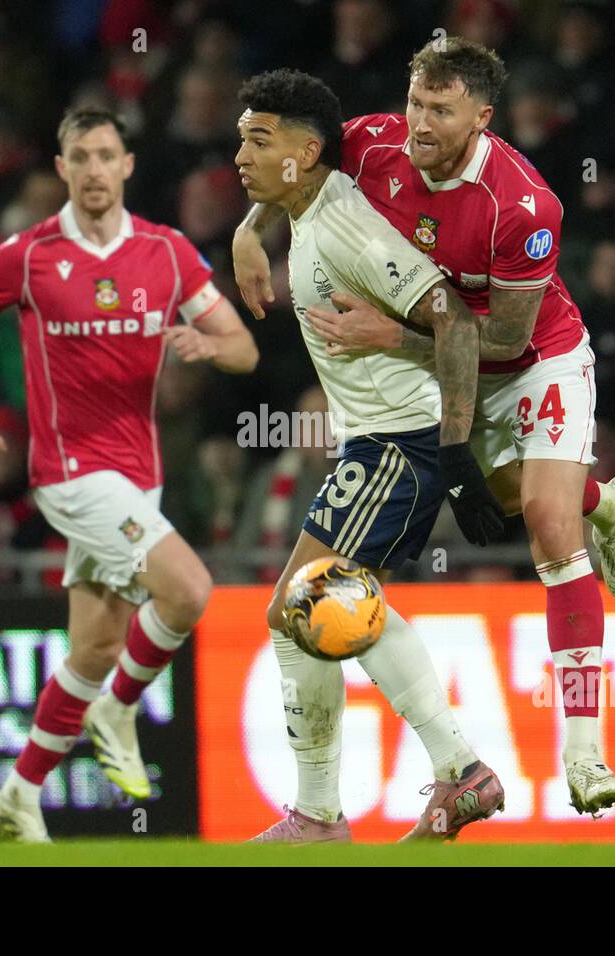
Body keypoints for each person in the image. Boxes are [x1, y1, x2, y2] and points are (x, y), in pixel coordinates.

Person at [234, 38, 615, 821]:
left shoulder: (524, 207)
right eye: (417, 102)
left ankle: (585, 752)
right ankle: (608, 502)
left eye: (441, 111)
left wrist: (397, 342)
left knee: (548, 528)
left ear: (482, 118)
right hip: (444, 368)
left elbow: (503, 339)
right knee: (512, 500)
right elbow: (294, 155)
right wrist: (248, 230)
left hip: (528, 358)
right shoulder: (379, 139)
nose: (420, 123)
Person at [0, 107, 257, 842]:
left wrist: (209, 349)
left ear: (128, 164)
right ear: (61, 169)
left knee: (96, 645)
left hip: (139, 474)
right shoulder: (30, 254)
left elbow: (242, 347)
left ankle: (19, 792)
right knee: (190, 590)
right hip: (69, 474)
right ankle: (119, 707)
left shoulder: (167, 253)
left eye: (105, 155)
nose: (93, 170)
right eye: (78, 157)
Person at [234, 68, 506, 844]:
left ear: (306, 150)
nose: (241, 157)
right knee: (304, 611)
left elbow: (452, 319)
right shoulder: (308, 204)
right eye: (240, 139)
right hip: (377, 439)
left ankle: (339, 811)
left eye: (259, 140)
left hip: (405, 440)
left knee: (300, 606)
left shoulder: (346, 226)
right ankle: (445, 775)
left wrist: (448, 444)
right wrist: (245, 228)